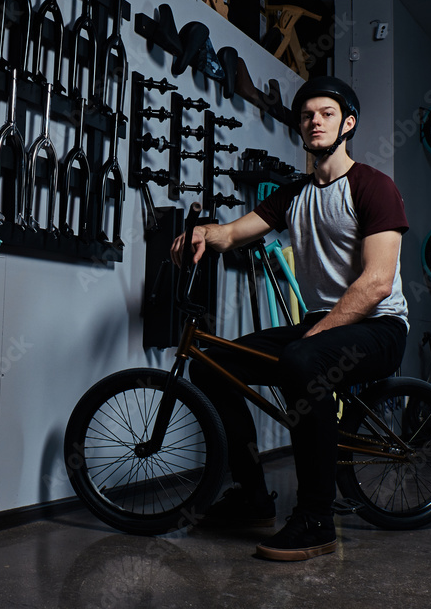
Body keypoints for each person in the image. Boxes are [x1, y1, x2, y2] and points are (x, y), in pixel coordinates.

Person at [170, 76, 409, 561]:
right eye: (306, 115)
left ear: (348, 123)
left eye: (325, 113)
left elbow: (377, 282)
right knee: (213, 364)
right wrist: (200, 233)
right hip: (325, 324)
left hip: (380, 326)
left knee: (303, 359)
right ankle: (253, 496)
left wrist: (314, 338)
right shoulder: (293, 194)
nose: (314, 121)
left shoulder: (373, 186)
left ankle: (317, 520)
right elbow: (234, 234)